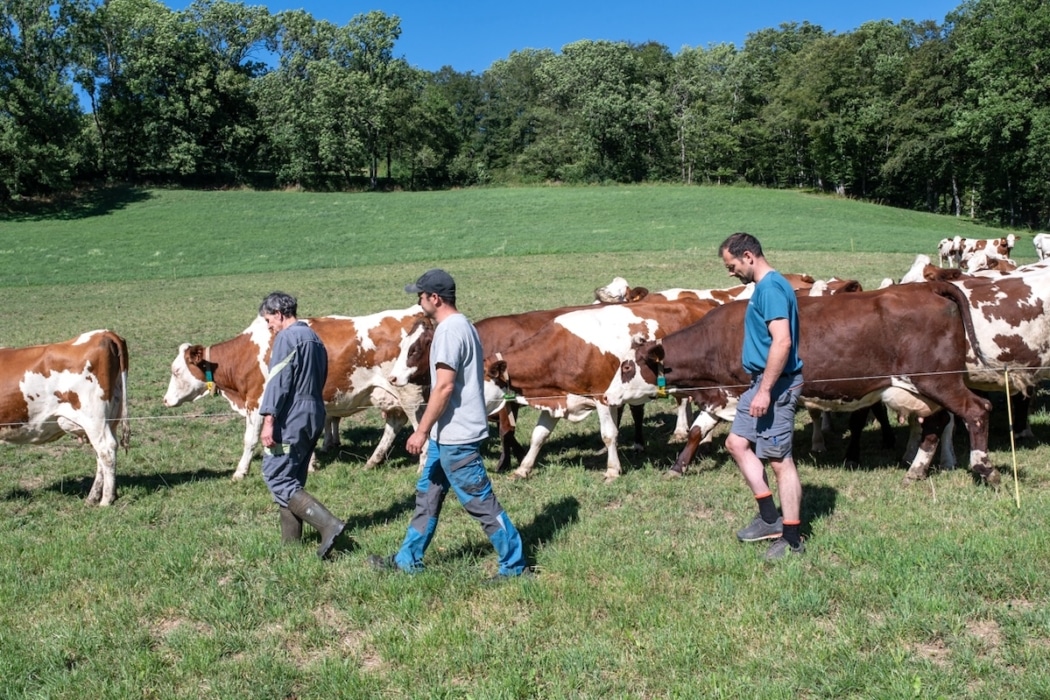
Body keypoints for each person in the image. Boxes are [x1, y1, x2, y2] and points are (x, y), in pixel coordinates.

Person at [367, 269, 530, 581]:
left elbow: (443, 387)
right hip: (448, 434)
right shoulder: (463, 324)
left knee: (479, 501)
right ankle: (407, 559)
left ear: (435, 298)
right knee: (427, 496)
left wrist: (420, 430)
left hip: (457, 436)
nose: (418, 300)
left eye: (421, 295)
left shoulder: (448, 332)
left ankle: (515, 565)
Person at [718, 233, 806, 560]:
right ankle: (770, 518)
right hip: (762, 382)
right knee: (737, 443)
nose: (730, 272)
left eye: (732, 265)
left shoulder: (770, 289)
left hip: (776, 385)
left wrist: (766, 391)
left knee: (780, 461)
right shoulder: (768, 286)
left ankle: (793, 538)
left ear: (748, 256)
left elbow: (782, 342)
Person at [258, 291, 345, 559]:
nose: (269, 326)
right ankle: (291, 547)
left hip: (292, 413)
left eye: (268, 319)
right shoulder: (315, 338)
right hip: (315, 411)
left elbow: (278, 381)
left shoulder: (287, 338)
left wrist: (268, 419)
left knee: (276, 475)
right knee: (293, 476)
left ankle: (328, 525)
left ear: (280, 314)